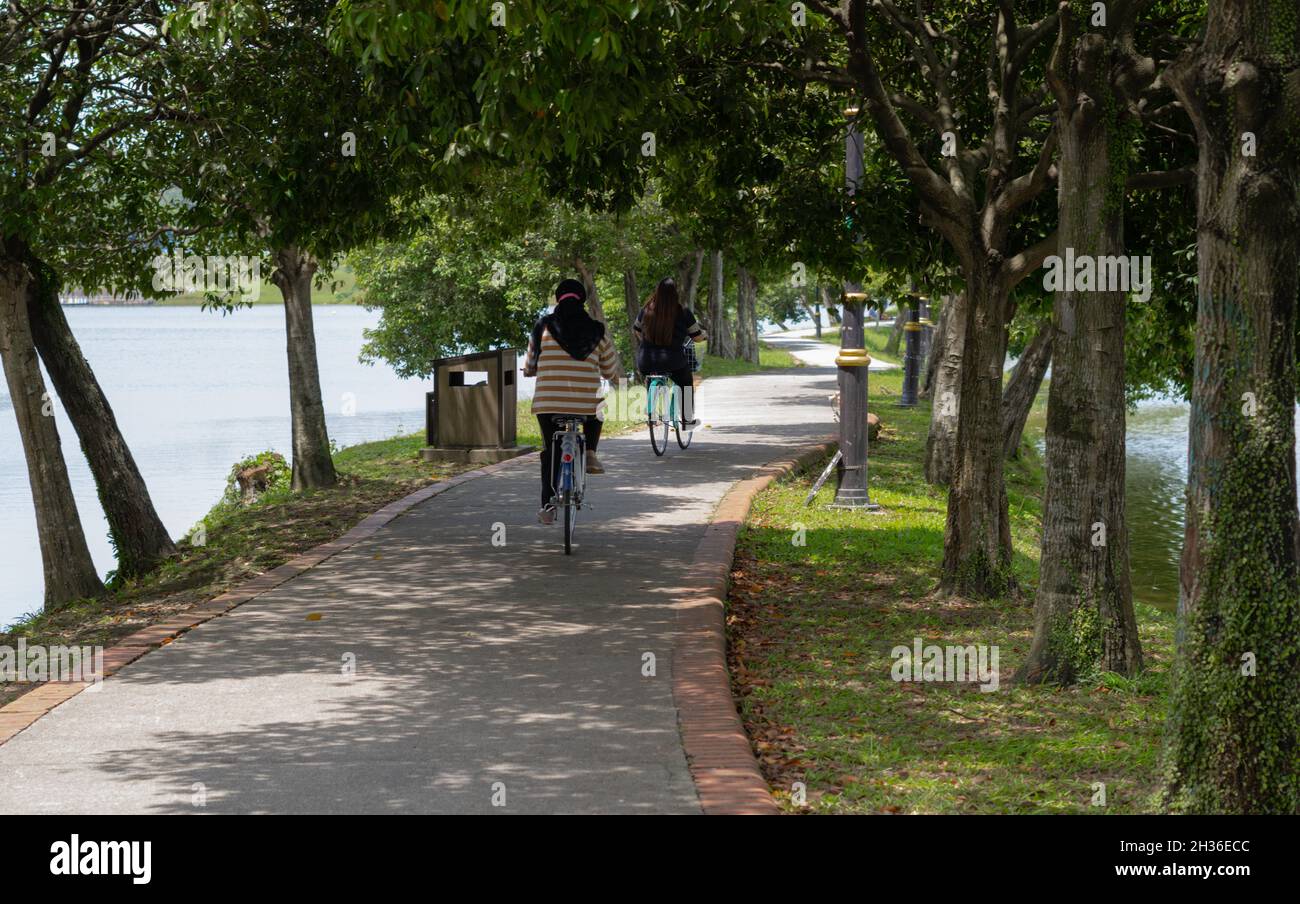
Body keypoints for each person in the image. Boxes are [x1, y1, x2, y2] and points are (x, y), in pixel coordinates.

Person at [523, 278, 621, 525]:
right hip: (585, 403)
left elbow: (530, 365)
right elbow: (610, 369)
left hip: (548, 402)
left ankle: (547, 507)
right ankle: (589, 452)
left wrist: (533, 370)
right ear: (581, 300)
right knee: (598, 408)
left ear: (558, 299)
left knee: (549, 453)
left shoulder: (542, 326)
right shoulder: (597, 330)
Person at [633, 277, 707, 426]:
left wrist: (646, 341)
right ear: (675, 293)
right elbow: (697, 337)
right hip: (672, 360)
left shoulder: (646, 310)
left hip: (646, 359)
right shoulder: (683, 312)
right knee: (685, 382)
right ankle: (687, 419)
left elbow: (636, 329)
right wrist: (704, 335)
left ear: (657, 292)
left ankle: (651, 413)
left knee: (651, 375)